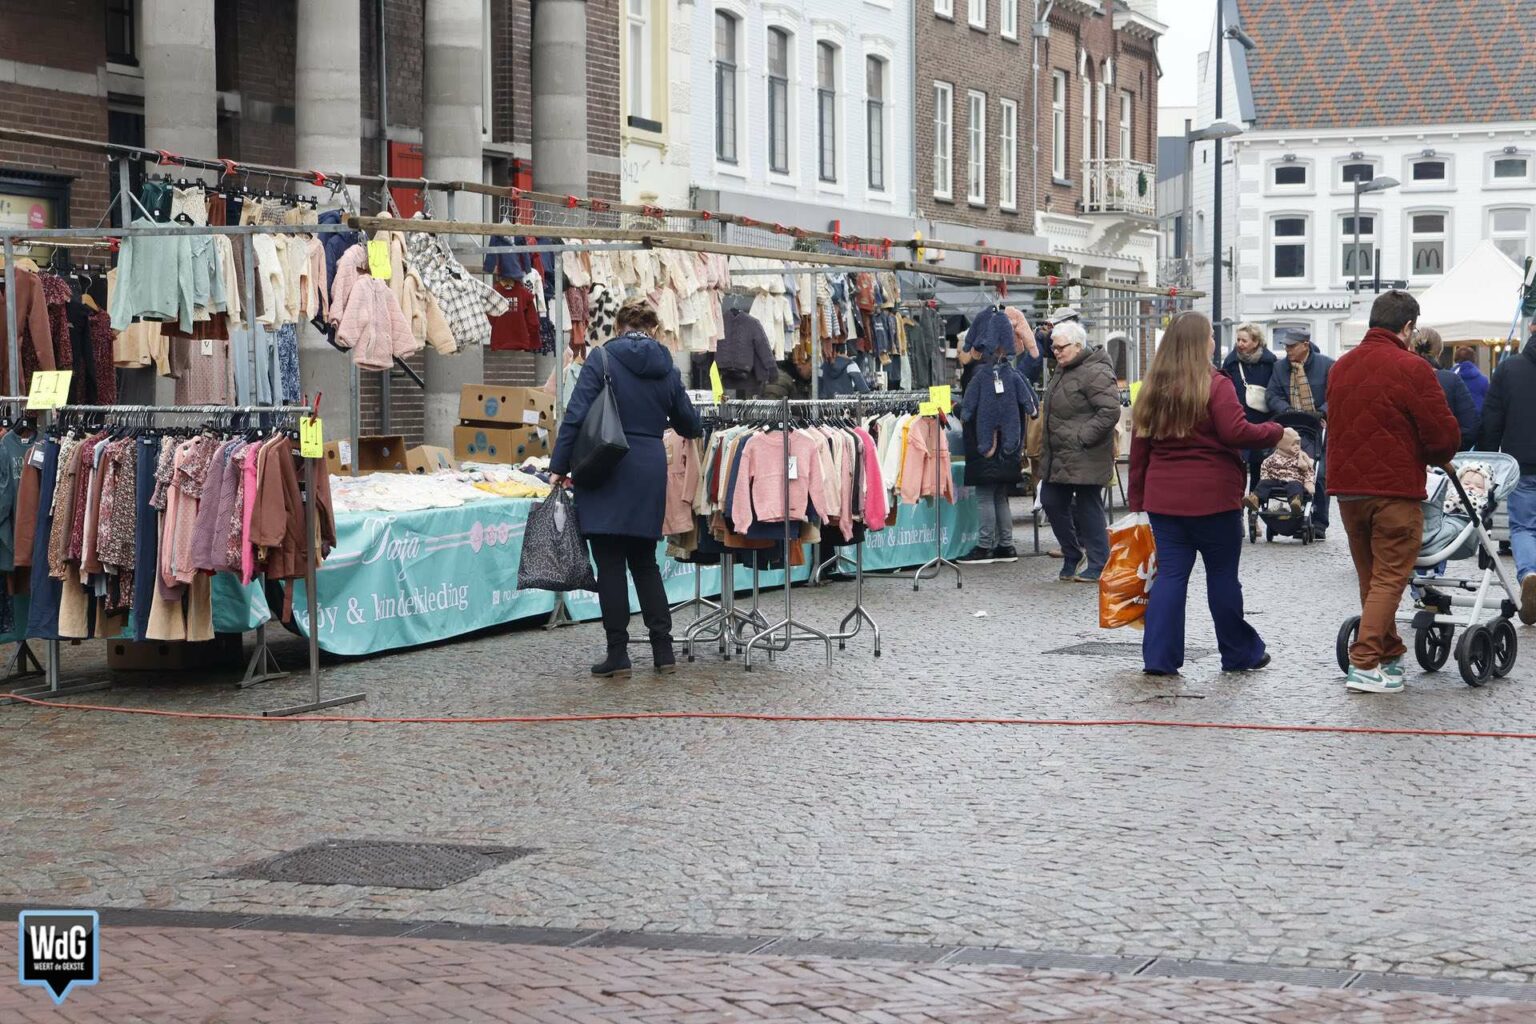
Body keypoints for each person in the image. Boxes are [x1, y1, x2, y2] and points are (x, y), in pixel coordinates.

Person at [1129, 312, 1290, 676]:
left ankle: (1159, 659)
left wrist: (1138, 502)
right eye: (1210, 337)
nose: (1215, 343)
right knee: (1222, 576)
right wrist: (1277, 432)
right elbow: (1236, 431)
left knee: (1170, 577)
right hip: (1213, 499)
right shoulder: (1214, 384)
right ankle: (1238, 653)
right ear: (1200, 343)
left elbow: (1140, 451)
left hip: (1164, 501)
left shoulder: (1153, 386)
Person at [549, 299, 702, 679]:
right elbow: (690, 424)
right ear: (652, 328)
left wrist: (557, 467)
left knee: (611, 566)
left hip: (603, 465)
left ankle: (618, 655)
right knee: (645, 562)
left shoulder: (601, 360)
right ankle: (663, 652)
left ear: (618, 327)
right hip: (648, 467)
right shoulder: (667, 367)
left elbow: (575, 416)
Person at [1327, 290, 1460, 694]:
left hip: (1348, 491)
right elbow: (1442, 436)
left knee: (1372, 578)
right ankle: (1365, 662)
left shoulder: (1340, 367)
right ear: (1406, 327)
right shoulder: (1412, 368)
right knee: (1389, 578)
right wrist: (1436, 453)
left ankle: (1388, 651)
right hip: (1394, 489)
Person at [1038, 320, 1120, 583]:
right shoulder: (1064, 369)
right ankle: (1072, 553)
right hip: (1060, 453)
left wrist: (1083, 437)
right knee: (1050, 500)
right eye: (1054, 347)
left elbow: (1110, 411)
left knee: (1088, 505)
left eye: (1060, 347)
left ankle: (1099, 561)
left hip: (1086, 451)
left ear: (1077, 345)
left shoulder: (1094, 371)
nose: (1056, 352)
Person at [957, 323, 1038, 564]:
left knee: (985, 496)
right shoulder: (1013, 374)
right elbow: (1031, 406)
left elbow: (968, 411)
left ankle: (985, 546)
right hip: (1008, 446)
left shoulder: (979, 375)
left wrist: (954, 408)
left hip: (985, 445)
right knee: (1000, 496)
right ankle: (1006, 545)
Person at [1479, 325, 1536, 624]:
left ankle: (1529, 573)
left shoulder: (1509, 370)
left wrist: (1487, 458)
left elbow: (1492, 418)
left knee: (1524, 527)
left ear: (1531, 327)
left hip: (1523, 462)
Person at [1266, 329, 1335, 538]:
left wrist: (1322, 411)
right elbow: (1272, 394)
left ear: (1305, 345)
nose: (1287, 350)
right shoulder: (1279, 368)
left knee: (1319, 474)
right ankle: (1288, 517)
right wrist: (1286, 410)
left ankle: (1320, 522)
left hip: (1319, 427)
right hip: (1289, 427)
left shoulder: (1327, 365)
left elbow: (1335, 394)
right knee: (1284, 470)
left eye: (1291, 346)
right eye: (1285, 346)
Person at [1223, 322, 1279, 490]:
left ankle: (1255, 505)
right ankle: (1238, 505)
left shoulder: (1270, 362)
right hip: (1238, 417)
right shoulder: (1231, 362)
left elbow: (1275, 388)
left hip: (1261, 418)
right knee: (1238, 465)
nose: (1239, 344)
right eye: (1238, 340)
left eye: (1244, 340)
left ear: (1256, 342)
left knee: (1258, 466)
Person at [1412, 327, 1479, 451]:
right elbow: (1470, 427)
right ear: (1439, 351)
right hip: (1445, 459)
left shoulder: (1399, 377)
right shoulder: (1451, 380)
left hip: (1407, 459)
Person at [1453, 345, 1490, 415]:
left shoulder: (1451, 377)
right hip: (1477, 419)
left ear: (1456, 359)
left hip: (1456, 419)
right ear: (1474, 359)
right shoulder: (1483, 379)